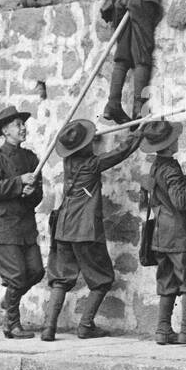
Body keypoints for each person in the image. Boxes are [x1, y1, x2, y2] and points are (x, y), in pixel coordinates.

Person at [43, 119, 144, 341]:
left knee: (61, 278)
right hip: (84, 229)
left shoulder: (68, 162)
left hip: (63, 227)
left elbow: (87, 149)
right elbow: (120, 152)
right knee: (102, 279)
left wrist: (89, 137)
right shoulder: (90, 164)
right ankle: (86, 325)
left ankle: (48, 328)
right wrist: (139, 131)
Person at [139, 120, 186, 345]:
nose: (177, 140)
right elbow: (181, 201)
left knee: (167, 281)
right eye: (174, 139)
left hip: (161, 233)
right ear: (169, 145)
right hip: (179, 234)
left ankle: (163, 330)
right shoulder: (170, 168)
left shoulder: (156, 166)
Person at [0, 105, 44, 338]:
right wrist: (19, 182)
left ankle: (8, 301)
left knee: (36, 271)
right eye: (18, 125)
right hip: (3, 225)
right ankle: (11, 324)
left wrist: (30, 192)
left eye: (23, 124)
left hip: (25, 225)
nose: (23, 128)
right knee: (16, 275)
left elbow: (39, 195)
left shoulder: (32, 158)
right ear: (6, 131)